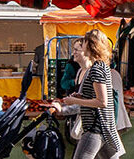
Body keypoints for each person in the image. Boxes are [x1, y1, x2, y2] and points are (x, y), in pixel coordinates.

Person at [49, 29, 121, 159]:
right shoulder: (102, 66)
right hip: (104, 128)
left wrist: (75, 101)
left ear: (91, 45)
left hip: (95, 127)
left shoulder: (96, 69)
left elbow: (102, 102)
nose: (82, 47)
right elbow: (100, 97)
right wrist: (82, 97)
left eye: (84, 44)